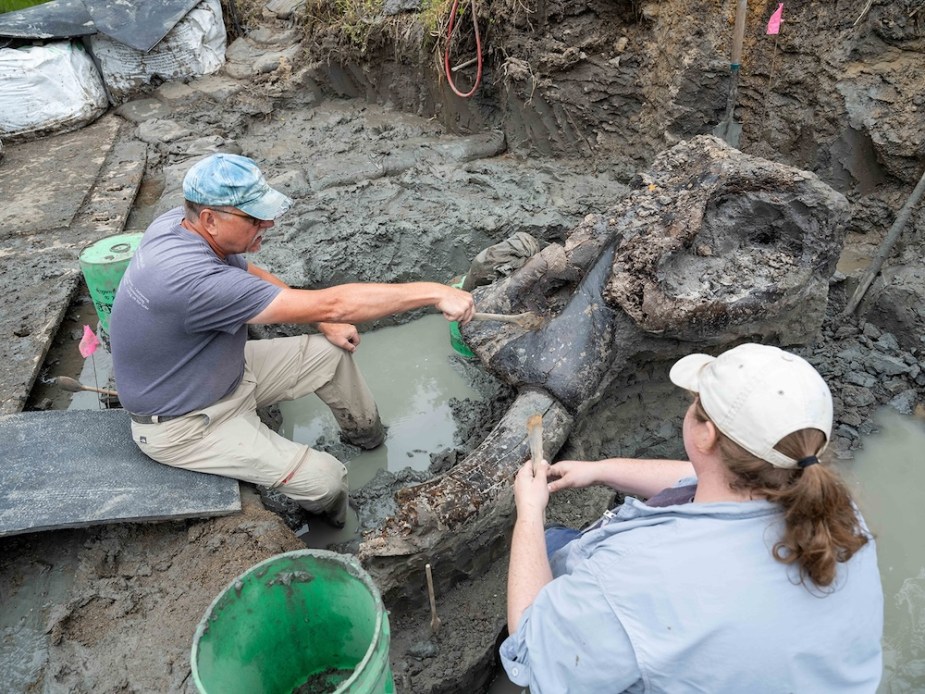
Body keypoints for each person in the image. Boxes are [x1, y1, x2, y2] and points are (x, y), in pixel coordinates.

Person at [109, 153, 474, 527]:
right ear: (210, 219)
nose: (267, 224)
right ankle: (337, 524)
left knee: (331, 355)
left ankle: (367, 438)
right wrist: (434, 292)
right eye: (254, 219)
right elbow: (336, 303)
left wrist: (323, 322)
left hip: (218, 370)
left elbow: (252, 273)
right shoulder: (194, 283)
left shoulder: (176, 224)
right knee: (325, 480)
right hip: (186, 422)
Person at [501, 343, 883, 693]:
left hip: (634, 615)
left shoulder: (632, 576)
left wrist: (529, 513)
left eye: (695, 402)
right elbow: (703, 477)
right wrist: (600, 470)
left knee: (548, 544)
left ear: (706, 435)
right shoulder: (834, 510)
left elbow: (531, 651)